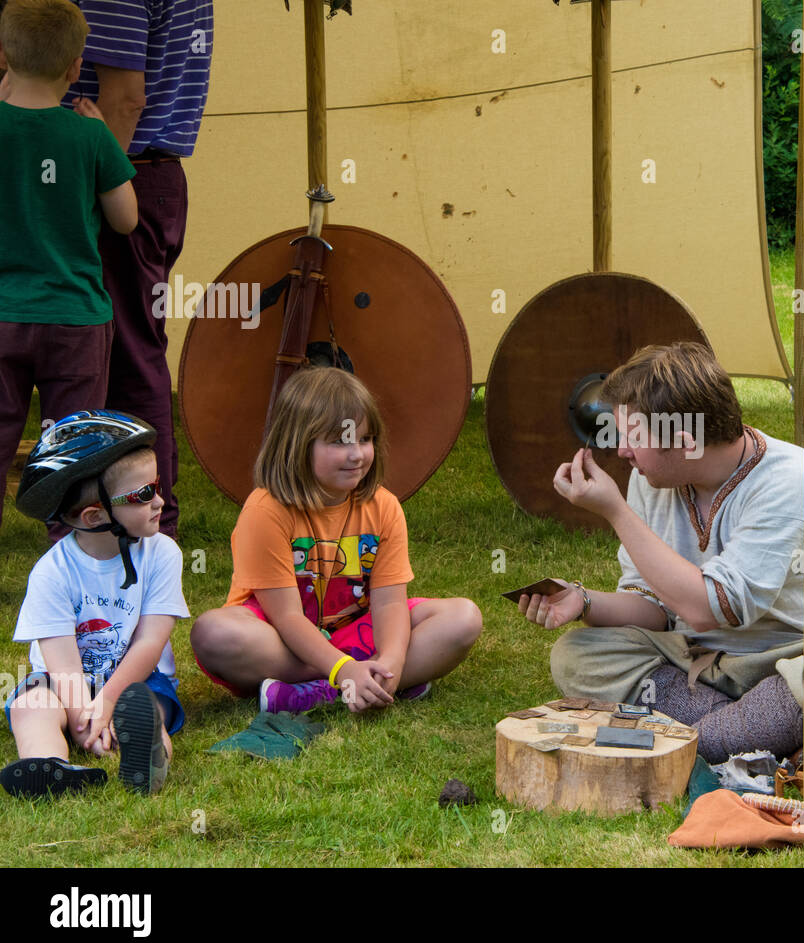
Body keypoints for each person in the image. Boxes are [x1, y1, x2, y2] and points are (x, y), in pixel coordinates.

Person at [519, 342, 804, 762]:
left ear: (685, 443)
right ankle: (755, 731)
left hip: (796, 658)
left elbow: (712, 609)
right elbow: (654, 606)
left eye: (634, 437)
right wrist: (584, 601)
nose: (621, 450)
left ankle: (691, 744)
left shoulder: (792, 480)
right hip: (698, 664)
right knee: (576, 656)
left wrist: (616, 512)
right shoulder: (650, 478)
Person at [189, 366, 481, 714]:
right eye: (340, 441)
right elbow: (287, 618)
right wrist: (344, 669)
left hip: (355, 632)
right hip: (282, 639)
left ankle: (328, 690)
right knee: (213, 633)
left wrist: (391, 661)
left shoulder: (384, 507)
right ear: (297, 444)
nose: (357, 454)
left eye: (365, 439)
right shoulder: (265, 510)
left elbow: (389, 605)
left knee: (464, 618)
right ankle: (361, 681)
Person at [64, 0, 215, 539]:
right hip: (140, 174)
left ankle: (148, 517)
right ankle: (131, 511)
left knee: (128, 353)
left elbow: (124, 99)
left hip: (122, 177)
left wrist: (97, 186)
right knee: (130, 348)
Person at [0, 0, 137, 534]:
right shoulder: (89, 135)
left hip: (5, 314)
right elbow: (125, 220)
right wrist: (101, 131)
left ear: (5, 55)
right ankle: (69, 547)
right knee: (77, 447)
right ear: (76, 67)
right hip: (76, 319)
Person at [2, 411, 188, 798]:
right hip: (64, 682)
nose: (160, 501)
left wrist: (106, 704)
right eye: (143, 495)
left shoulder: (164, 554)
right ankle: (51, 766)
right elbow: (63, 666)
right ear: (95, 516)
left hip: (138, 680)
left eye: (156, 486)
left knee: (144, 713)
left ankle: (148, 765)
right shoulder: (51, 574)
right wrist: (87, 720)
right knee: (30, 705)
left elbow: (150, 643)